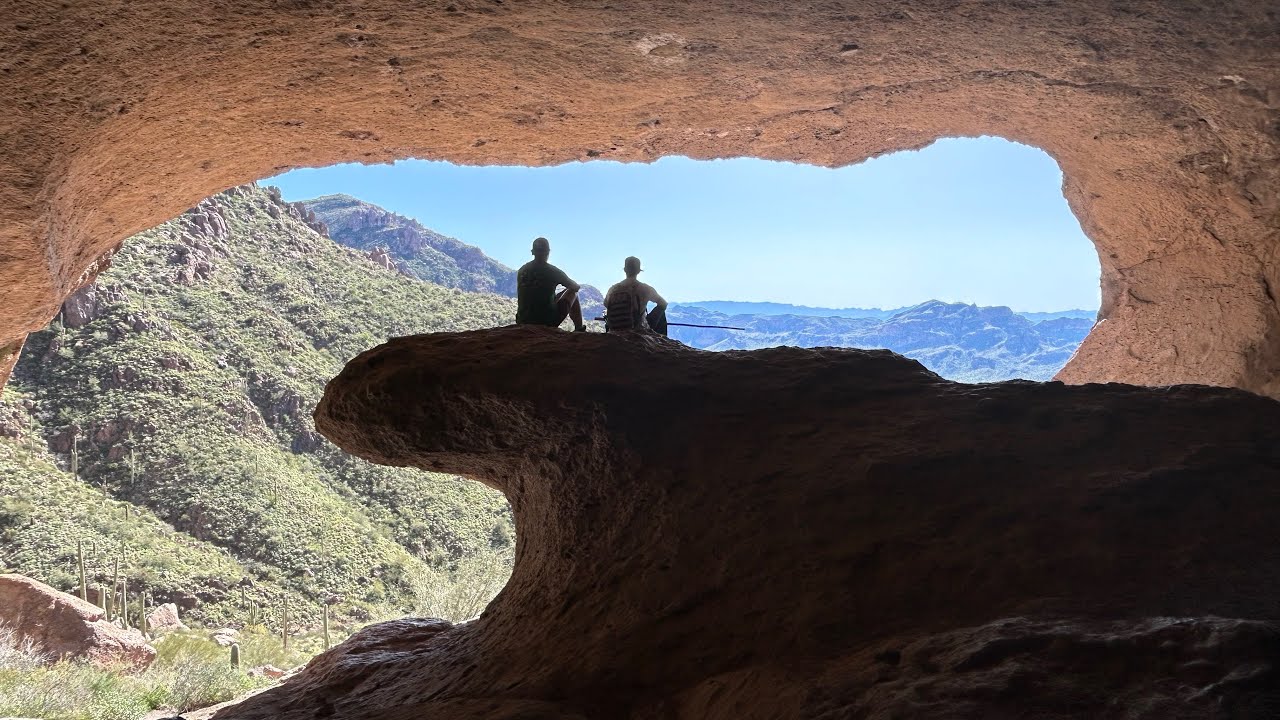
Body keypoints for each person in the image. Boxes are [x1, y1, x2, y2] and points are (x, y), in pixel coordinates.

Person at [515, 237, 586, 332]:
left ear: (532, 252)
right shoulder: (552, 271)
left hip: (523, 320)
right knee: (572, 292)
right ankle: (579, 329)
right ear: (548, 252)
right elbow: (576, 287)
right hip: (547, 321)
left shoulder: (522, 270)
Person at [604, 256, 667, 332]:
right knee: (661, 311)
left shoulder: (612, 289)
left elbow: (606, 304)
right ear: (638, 271)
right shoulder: (644, 288)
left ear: (625, 270)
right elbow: (663, 303)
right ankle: (659, 339)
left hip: (614, 330)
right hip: (637, 330)